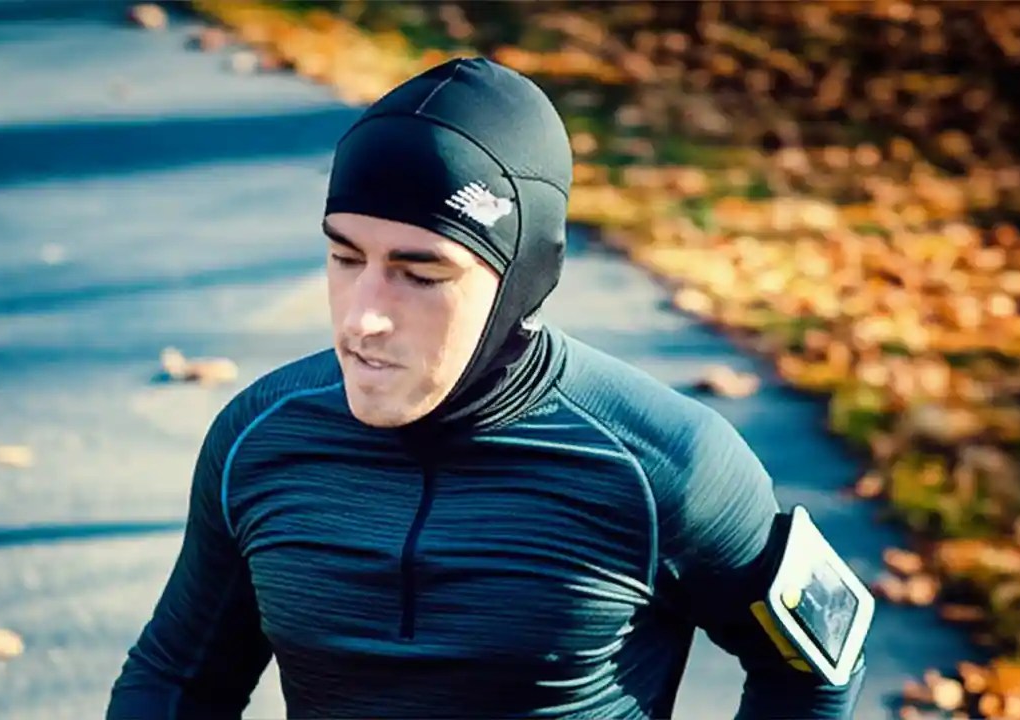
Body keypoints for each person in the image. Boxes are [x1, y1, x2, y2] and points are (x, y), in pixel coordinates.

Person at [106, 56, 869, 719]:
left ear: (521, 280)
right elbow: (177, 677)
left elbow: (812, 668)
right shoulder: (259, 438)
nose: (362, 319)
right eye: (345, 258)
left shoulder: (669, 464)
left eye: (420, 272)